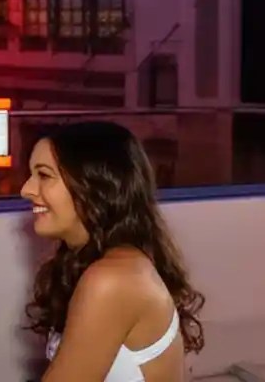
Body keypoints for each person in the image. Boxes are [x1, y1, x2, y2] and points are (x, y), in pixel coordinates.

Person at [20, 122, 204, 382]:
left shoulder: (111, 279)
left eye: (44, 175)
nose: (26, 190)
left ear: (94, 185)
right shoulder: (98, 264)